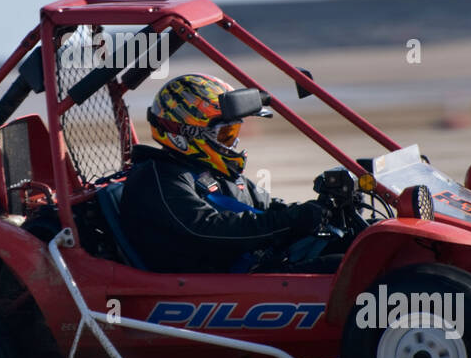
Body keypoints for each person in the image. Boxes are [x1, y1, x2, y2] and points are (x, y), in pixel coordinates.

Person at [118, 73, 338, 274]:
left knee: (346, 244)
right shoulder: (158, 179)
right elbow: (208, 230)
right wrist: (288, 222)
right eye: (225, 135)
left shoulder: (211, 171)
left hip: (251, 266)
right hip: (211, 284)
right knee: (343, 269)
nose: (233, 144)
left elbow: (264, 208)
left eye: (233, 133)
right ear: (185, 134)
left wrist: (318, 212)